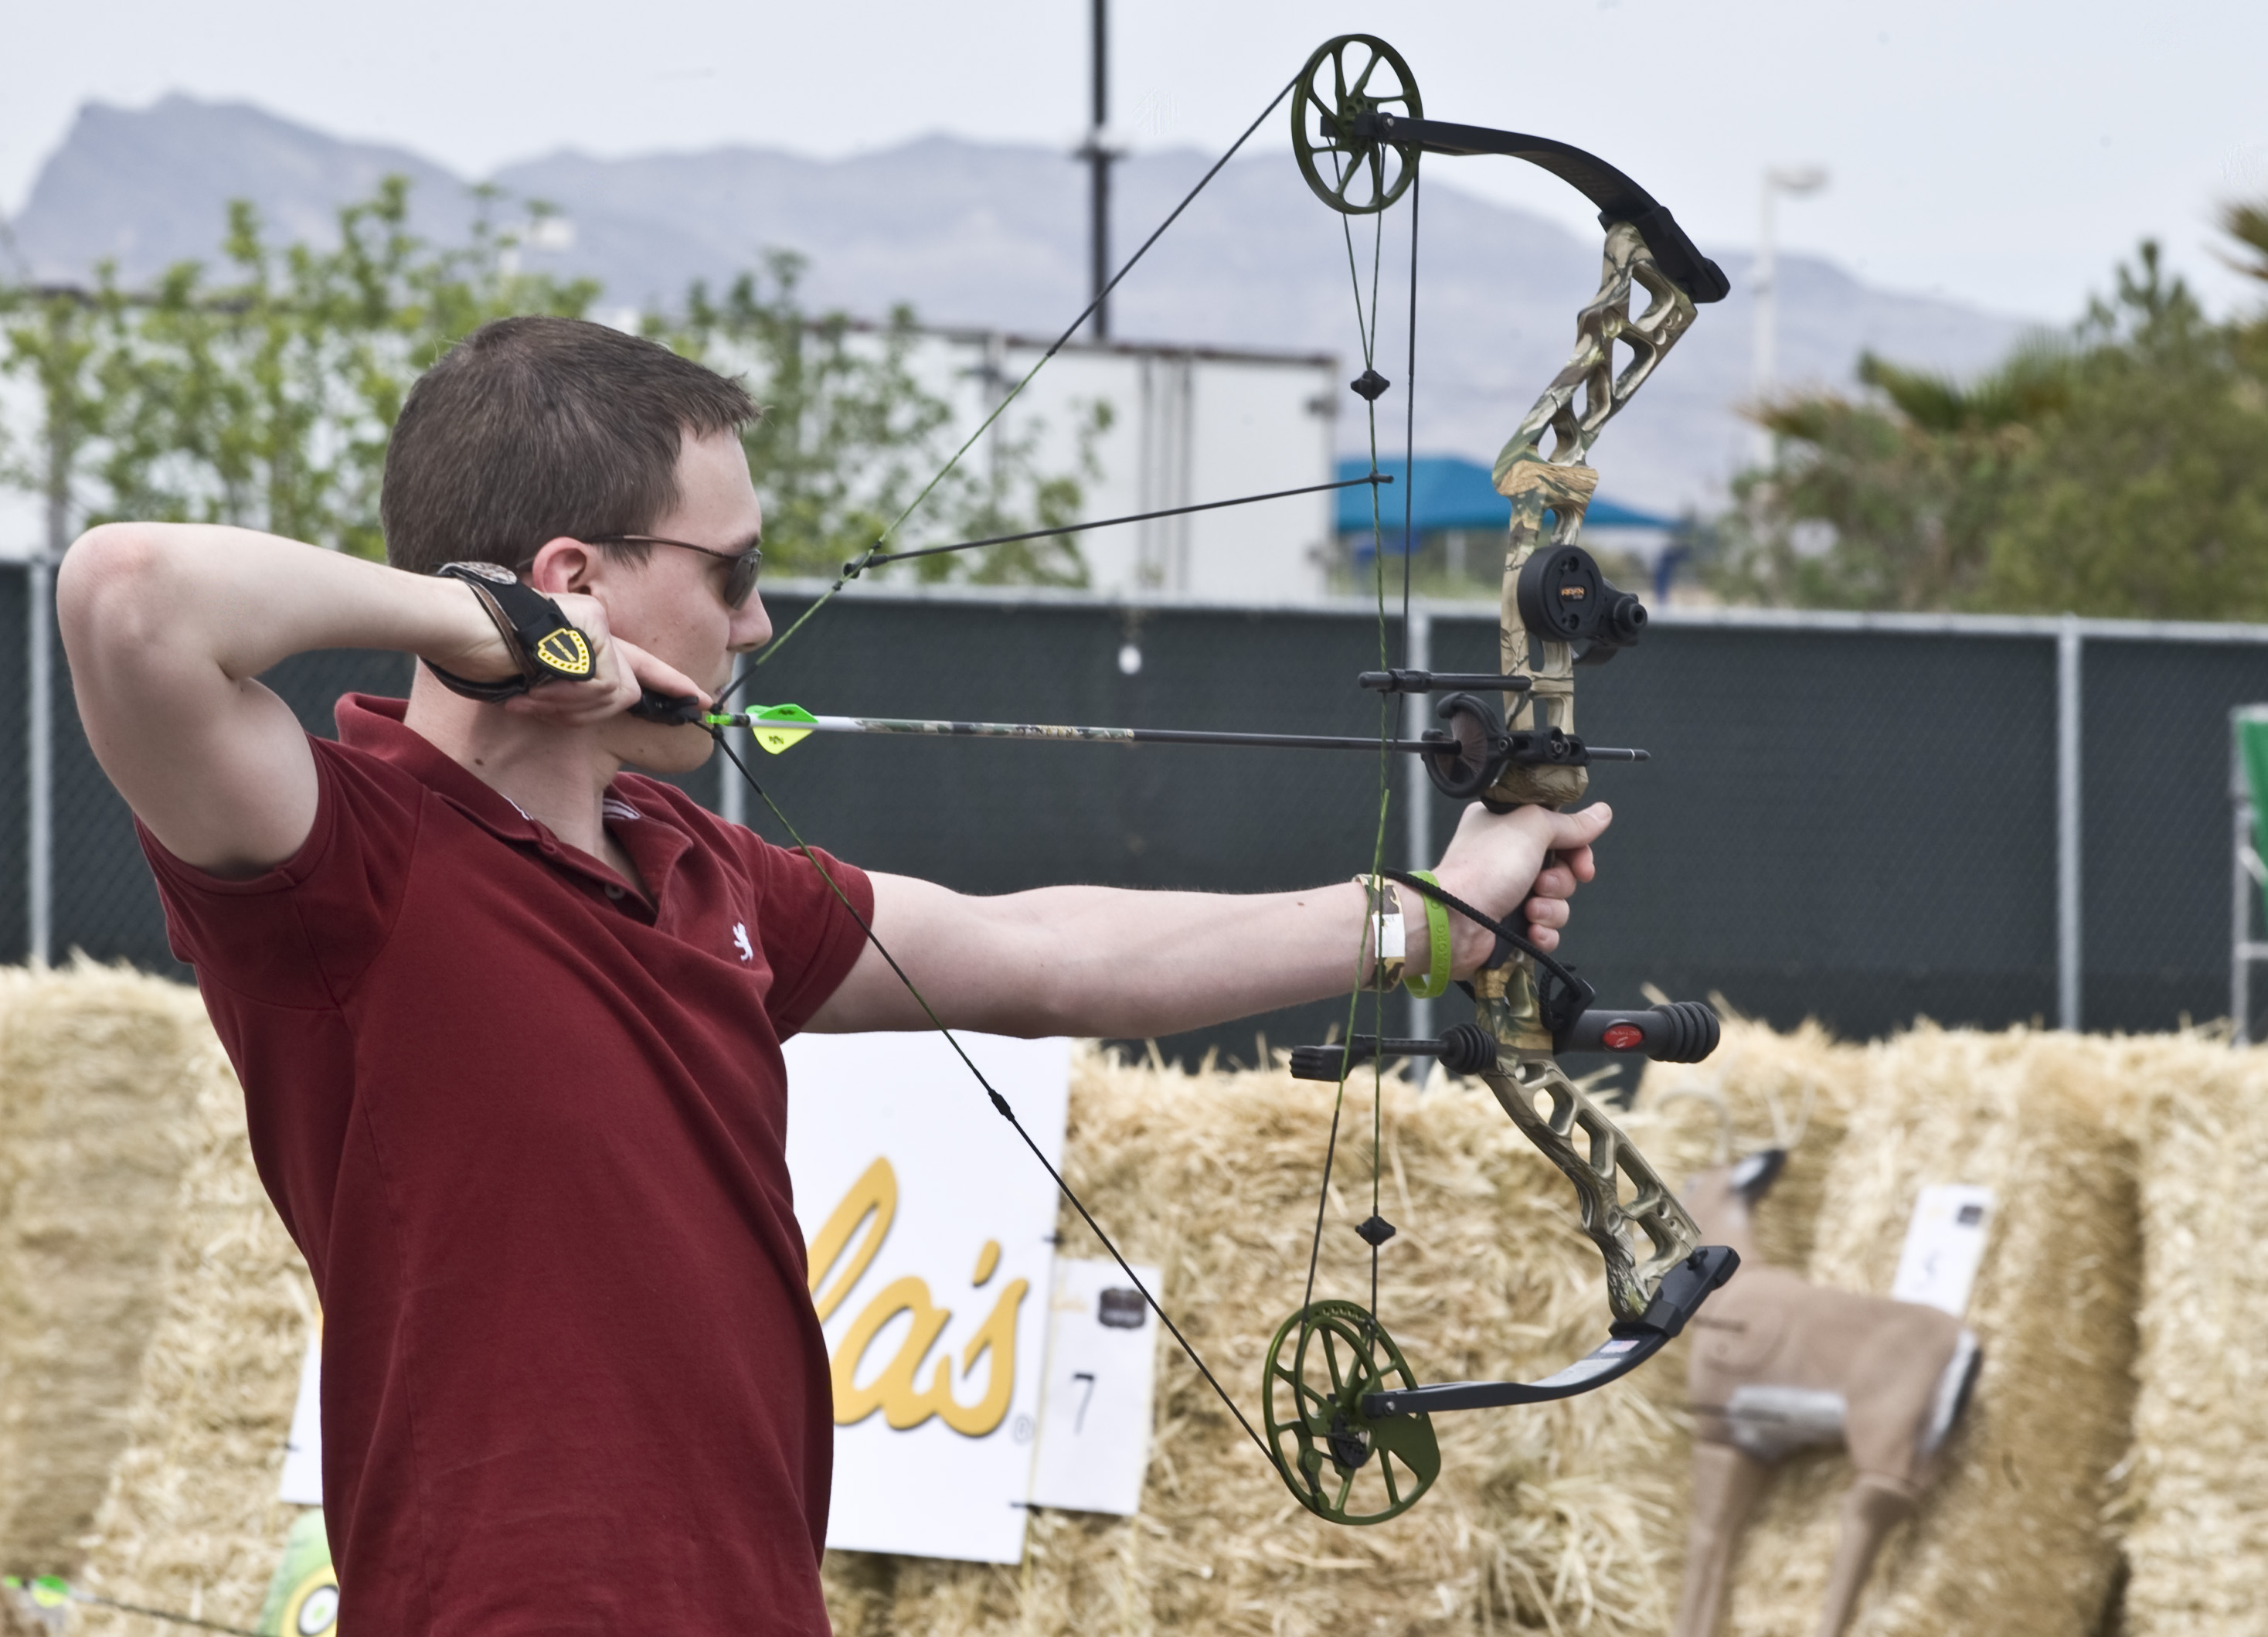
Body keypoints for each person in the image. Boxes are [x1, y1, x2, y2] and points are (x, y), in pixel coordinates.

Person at [57, 316, 1613, 1634]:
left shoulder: (703, 870)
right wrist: (497, 627)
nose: (753, 622)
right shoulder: (350, 860)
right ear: (569, 580)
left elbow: (1044, 954)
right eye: (730, 572)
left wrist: (1433, 919)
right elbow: (126, 594)